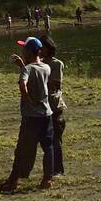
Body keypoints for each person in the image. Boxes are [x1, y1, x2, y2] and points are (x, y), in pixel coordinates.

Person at [0, 38, 54, 192]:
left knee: (22, 149)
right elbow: (35, 73)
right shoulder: (46, 67)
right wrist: (24, 66)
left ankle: (13, 181)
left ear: (29, 51)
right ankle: (48, 179)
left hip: (31, 117)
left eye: (24, 49)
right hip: (46, 114)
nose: (22, 51)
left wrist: (27, 98)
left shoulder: (27, 69)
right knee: (47, 147)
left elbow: (23, 83)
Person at [40, 36, 66, 176]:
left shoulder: (56, 64)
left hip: (54, 107)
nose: (39, 50)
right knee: (46, 141)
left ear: (49, 48)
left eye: (42, 47)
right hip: (42, 108)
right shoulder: (39, 64)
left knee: (56, 140)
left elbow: (56, 85)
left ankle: (58, 170)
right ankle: (50, 169)